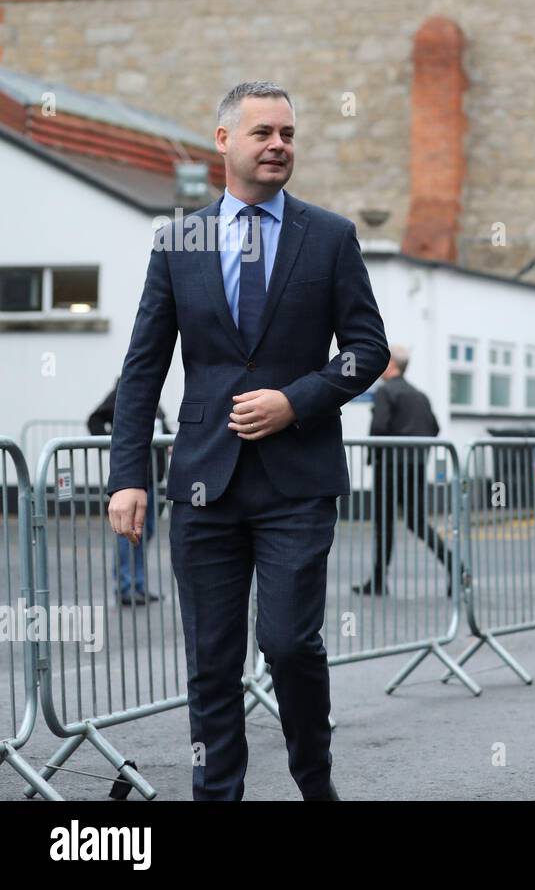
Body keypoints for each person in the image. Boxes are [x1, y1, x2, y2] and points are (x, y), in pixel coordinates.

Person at [106, 81, 389, 800]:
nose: (279, 146)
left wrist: (295, 401)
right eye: (264, 132)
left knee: (290, 646)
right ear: (224, 141)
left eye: (289, 134)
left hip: (298, 481)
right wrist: (127, 475)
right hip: (203, 481)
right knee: (210, 660)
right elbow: (143, 367)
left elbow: (366, 348)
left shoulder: (328, 236)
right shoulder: (179, 241)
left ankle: (314, 783)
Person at [353, 344, 461, 597]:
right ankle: (456, 569)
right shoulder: (419, 395)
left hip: (389, 465)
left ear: (391, 365)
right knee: (417, 522)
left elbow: (379, 426)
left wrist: (376, 452)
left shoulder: (385, 392)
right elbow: (434, 427)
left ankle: (378, 582)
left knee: (384, 523)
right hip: (416, 465)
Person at [88, 378, 169, 605]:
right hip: (133, 482)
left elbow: (165, 430)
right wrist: (111, 443)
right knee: (128, 534)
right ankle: (125, 586)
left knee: (145, 534)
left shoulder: (154, 400)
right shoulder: (125, 391)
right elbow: (95, 420)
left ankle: (139, 585)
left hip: (151, 481)